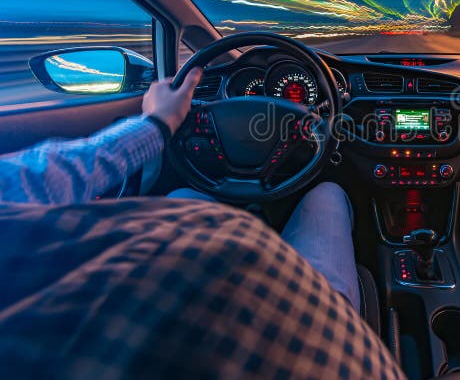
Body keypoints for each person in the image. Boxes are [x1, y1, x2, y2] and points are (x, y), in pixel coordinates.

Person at [0, 70, 402, 379]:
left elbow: (40, 178)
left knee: (183, 198)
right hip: (320, 333)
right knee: (327, 195)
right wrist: (158, 123)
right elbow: (50, 172)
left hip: (155, 328)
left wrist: (158, 123)